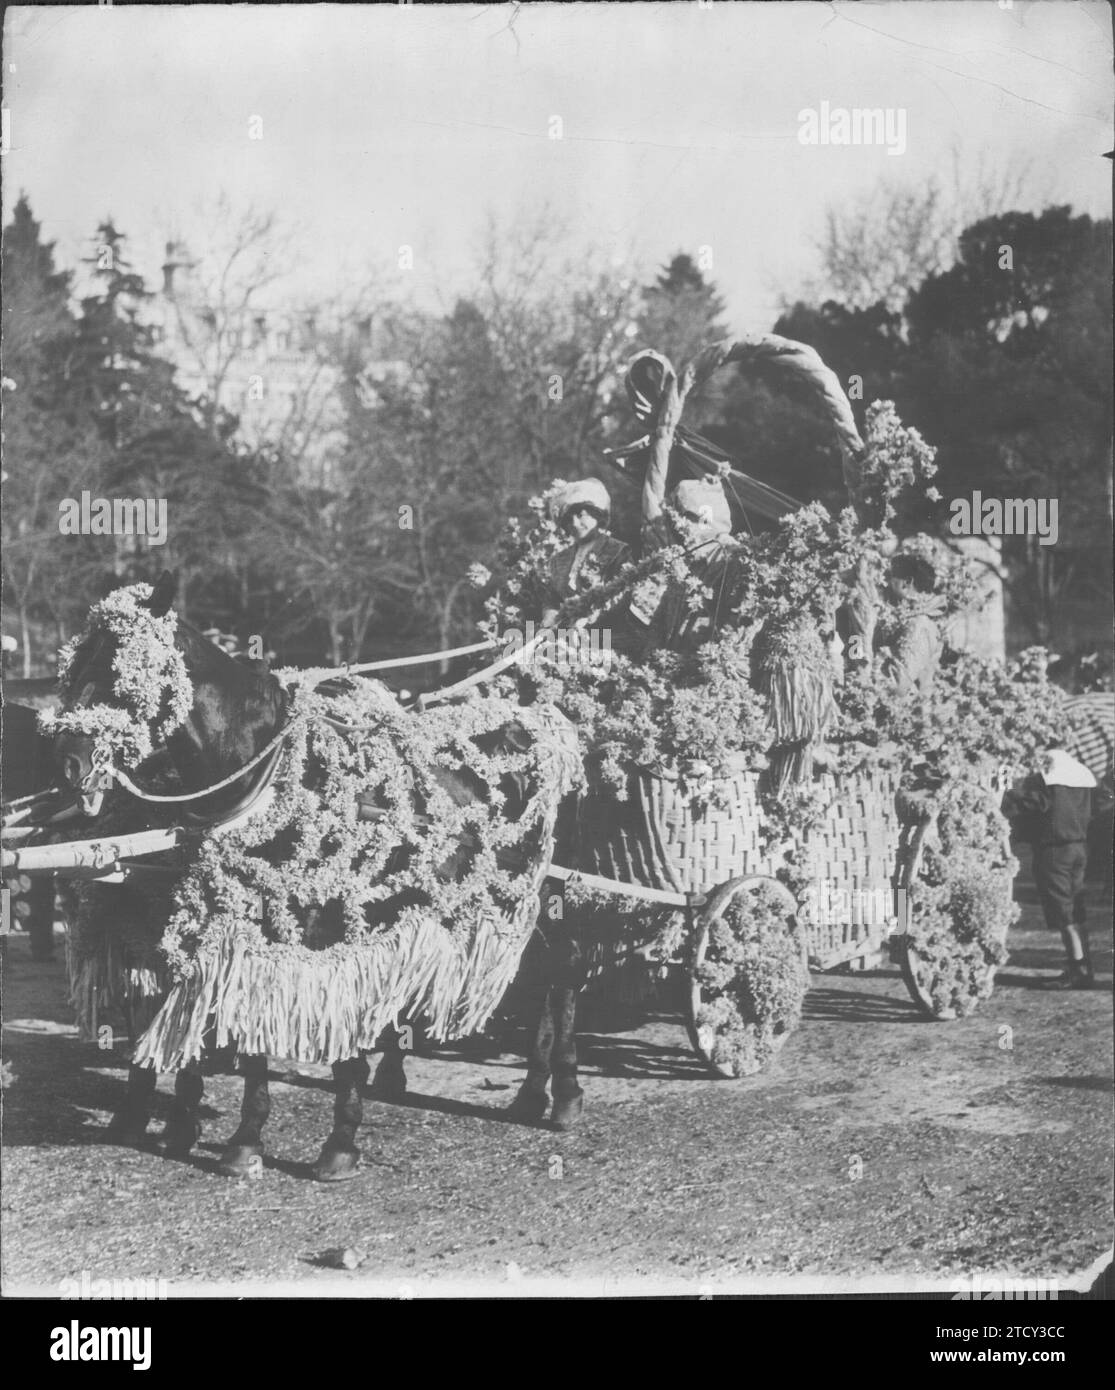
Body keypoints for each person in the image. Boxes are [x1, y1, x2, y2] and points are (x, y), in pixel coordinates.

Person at [1003, 748, 1098, 989]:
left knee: (1062, 912)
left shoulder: (1047, 777)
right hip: (1079, 847)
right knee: (1076, 909)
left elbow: (1032, 804)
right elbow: (1104, 800)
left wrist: (1008, 788)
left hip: (1054, 851)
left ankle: (1077, 971)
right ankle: (1085, 968)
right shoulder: (1082, 774)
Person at [539, 477, 630, 629]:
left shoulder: (617, 551)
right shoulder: (559, 560)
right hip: (566, 635)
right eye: (569, 519)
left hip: (606, 634)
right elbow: (553, 599)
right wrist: (550, 616)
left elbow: (624, 595)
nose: (575, 523)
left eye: (581, 515)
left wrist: (591, 617)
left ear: (598, 515)